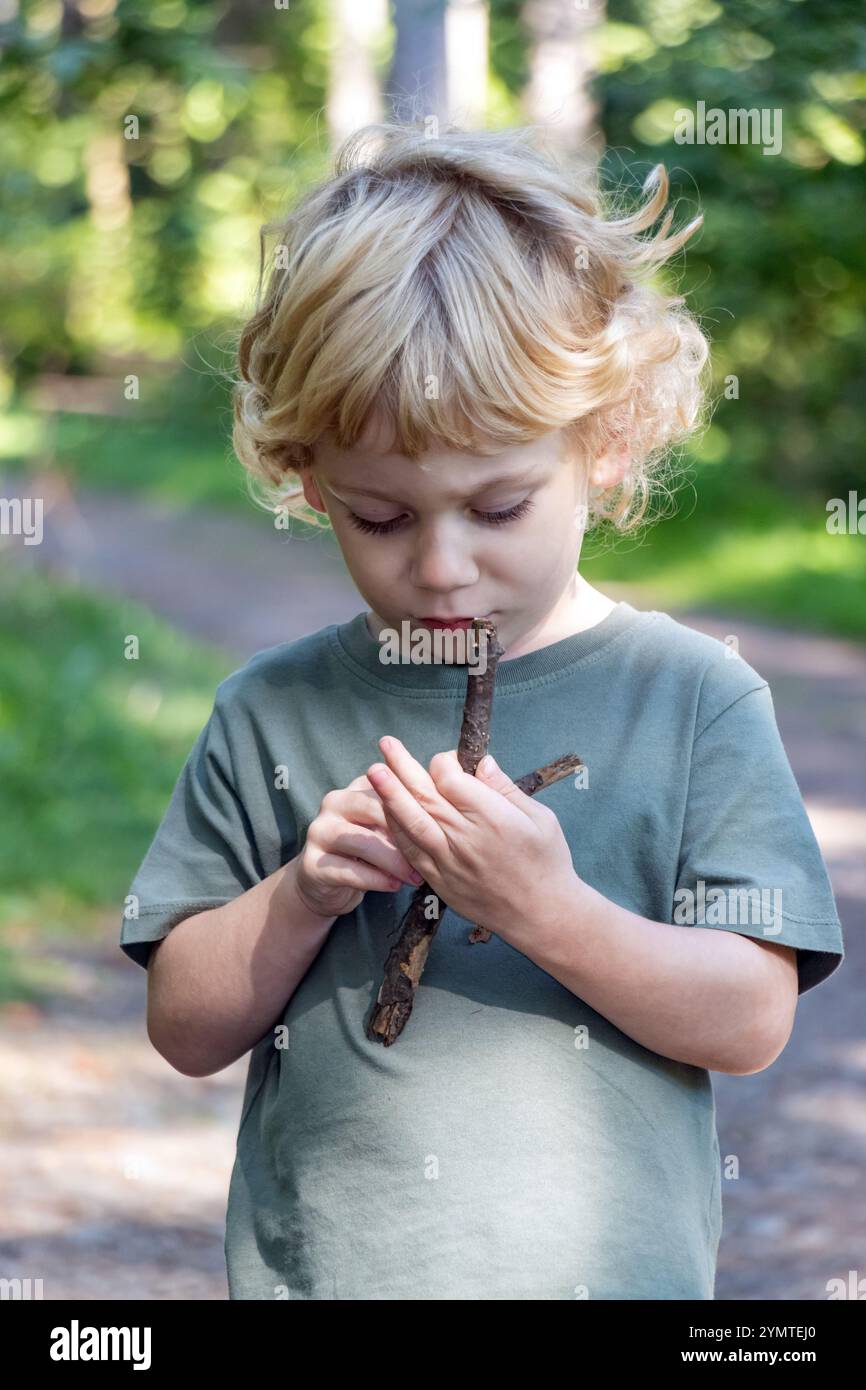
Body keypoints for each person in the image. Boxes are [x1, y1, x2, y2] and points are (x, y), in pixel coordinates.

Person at [119, 121, 844, 1300]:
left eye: (497, 506)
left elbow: (747, 1019)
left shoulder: (694, 698)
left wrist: (546, 908)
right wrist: (302, 891)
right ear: (307, 481)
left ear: (602, 446)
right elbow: (185, 1029)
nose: (442, 568)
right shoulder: (270, 711)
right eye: (382, 518)